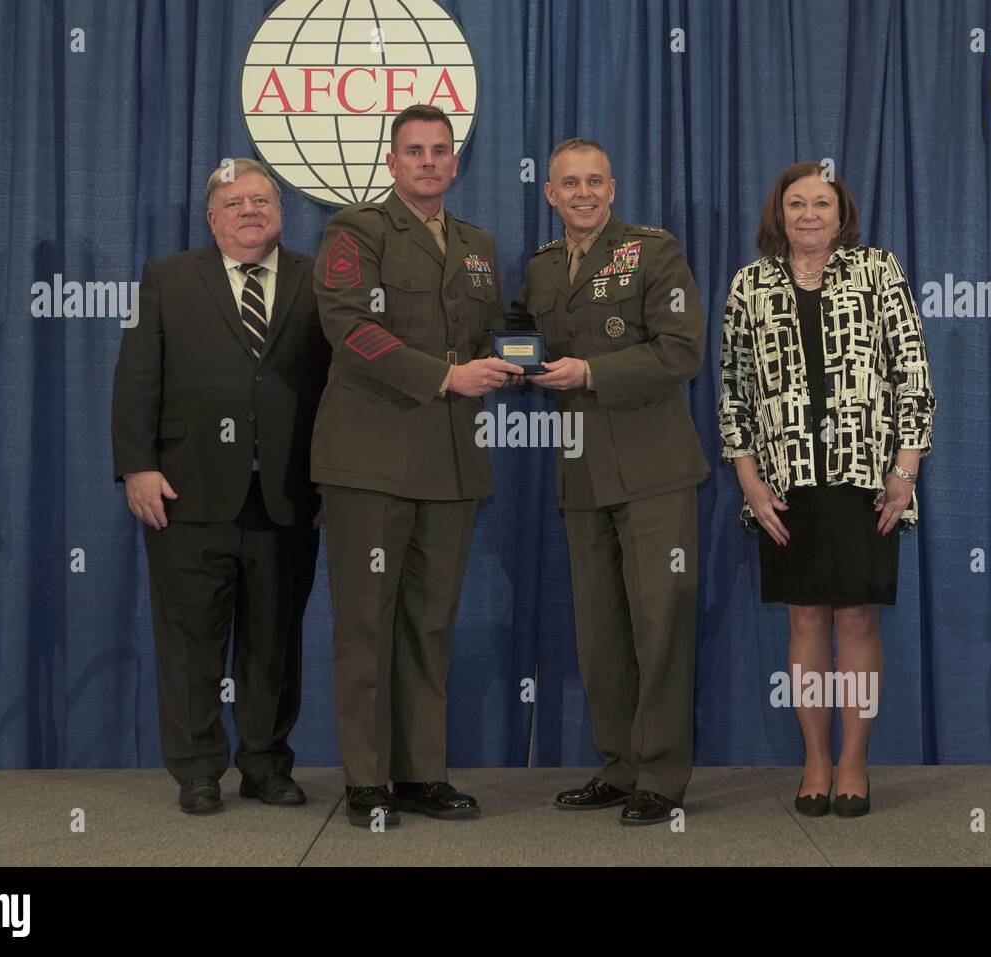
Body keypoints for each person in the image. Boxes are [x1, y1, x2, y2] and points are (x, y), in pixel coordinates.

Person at [310, 104, 523, 827]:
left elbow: (490, 331)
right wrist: (444, 377)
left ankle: (420, 772)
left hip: (453, 462)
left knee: (431, 624)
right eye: (415, 151)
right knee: (366, 624)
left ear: (454, 163)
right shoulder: (356, 229)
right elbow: (348, 327)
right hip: (371, 459)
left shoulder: (477, 243)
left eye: (440, 151)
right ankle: (367, 780)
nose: (429, 161)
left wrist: (519, 359)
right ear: (393, 162)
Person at [112, 158, 331, 814]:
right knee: (190, 643)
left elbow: (332, 387)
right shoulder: (167, 278)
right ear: (212, 218)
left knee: (275, 641)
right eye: (233, 203)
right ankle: (198, 770)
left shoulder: (316, 280)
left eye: (261, 200)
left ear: (280, 212)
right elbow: (136, 378)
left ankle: (265, 764)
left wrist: (330, 479)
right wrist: (137, 465)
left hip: (288, 496)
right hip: (188, 493)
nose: (248, 211)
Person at [719, 160, 936, 817]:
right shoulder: (750, 284)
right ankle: (815, 758)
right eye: (795, 202)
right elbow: (733, 393)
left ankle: (853, 761)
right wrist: (751, 484)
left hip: (865, 479)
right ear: (777, 213)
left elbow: (913, 374)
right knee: (804, 618)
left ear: (842, 215)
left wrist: (905, 470)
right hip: (787, 486)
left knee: (857, 619)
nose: (808, 214)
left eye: (821, 202)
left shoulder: (878, 269)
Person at [509, 138, 708, 825]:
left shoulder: (654, 251)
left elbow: (682, 349)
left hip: (653, 468)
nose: (584, 192)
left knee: (660, 624)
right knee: (601, 632)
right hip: (581, 466)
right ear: (551, 193)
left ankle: (661, 775)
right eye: (571, 183)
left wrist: (591, 372)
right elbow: (516, 332)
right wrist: (502, 357)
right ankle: (621, 764)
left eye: (595, 180)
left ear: (613, 188)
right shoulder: (540, 268)